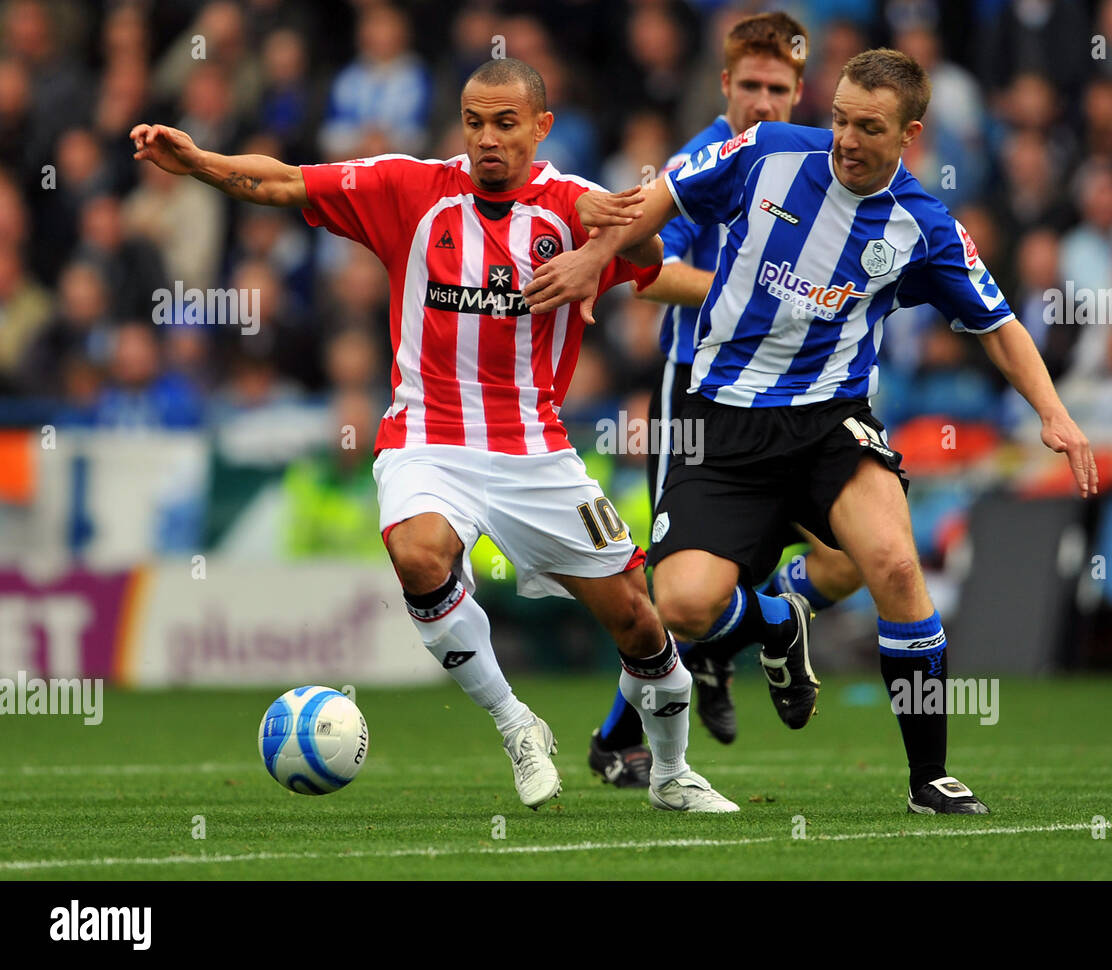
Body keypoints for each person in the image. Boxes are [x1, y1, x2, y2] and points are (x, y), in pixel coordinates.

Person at [131, 57, 739, 813]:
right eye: (475, 122)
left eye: (506, 124)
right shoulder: (408, 189)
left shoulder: (575, 206)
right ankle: (517, 724)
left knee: (638, 620)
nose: (488, 138)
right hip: (427, 434)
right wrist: (199, 163)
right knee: (417, 553)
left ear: (541, 128)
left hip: (534, 449)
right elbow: (286, 181)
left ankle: (672, 774)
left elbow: (648, 253)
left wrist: (598, 255)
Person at [526, 49, 1098, 814]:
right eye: (840, 119)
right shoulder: (766, 153)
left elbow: (996, 323)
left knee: (892, 564)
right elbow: (666, 194)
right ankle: (775, 621)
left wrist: (1054, 415)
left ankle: (929, 777)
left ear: (910, 134)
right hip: (721, 421)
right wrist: (596, 257)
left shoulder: (921, 224)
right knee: (684, 606)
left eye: (869, 127)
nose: (847, 139)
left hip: (830, 422)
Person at [585, 11, 864, 791]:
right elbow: (646, 272)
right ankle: (617, 738)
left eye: (779, 88)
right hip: (698, 393)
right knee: (678, 587)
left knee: (847, 561)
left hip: (792, 402)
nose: (764, 102)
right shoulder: (701, 160)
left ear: (800, 91)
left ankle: (726, 646)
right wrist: (749, 300)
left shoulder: (814, 160)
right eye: (751, 86)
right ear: (724, 85)